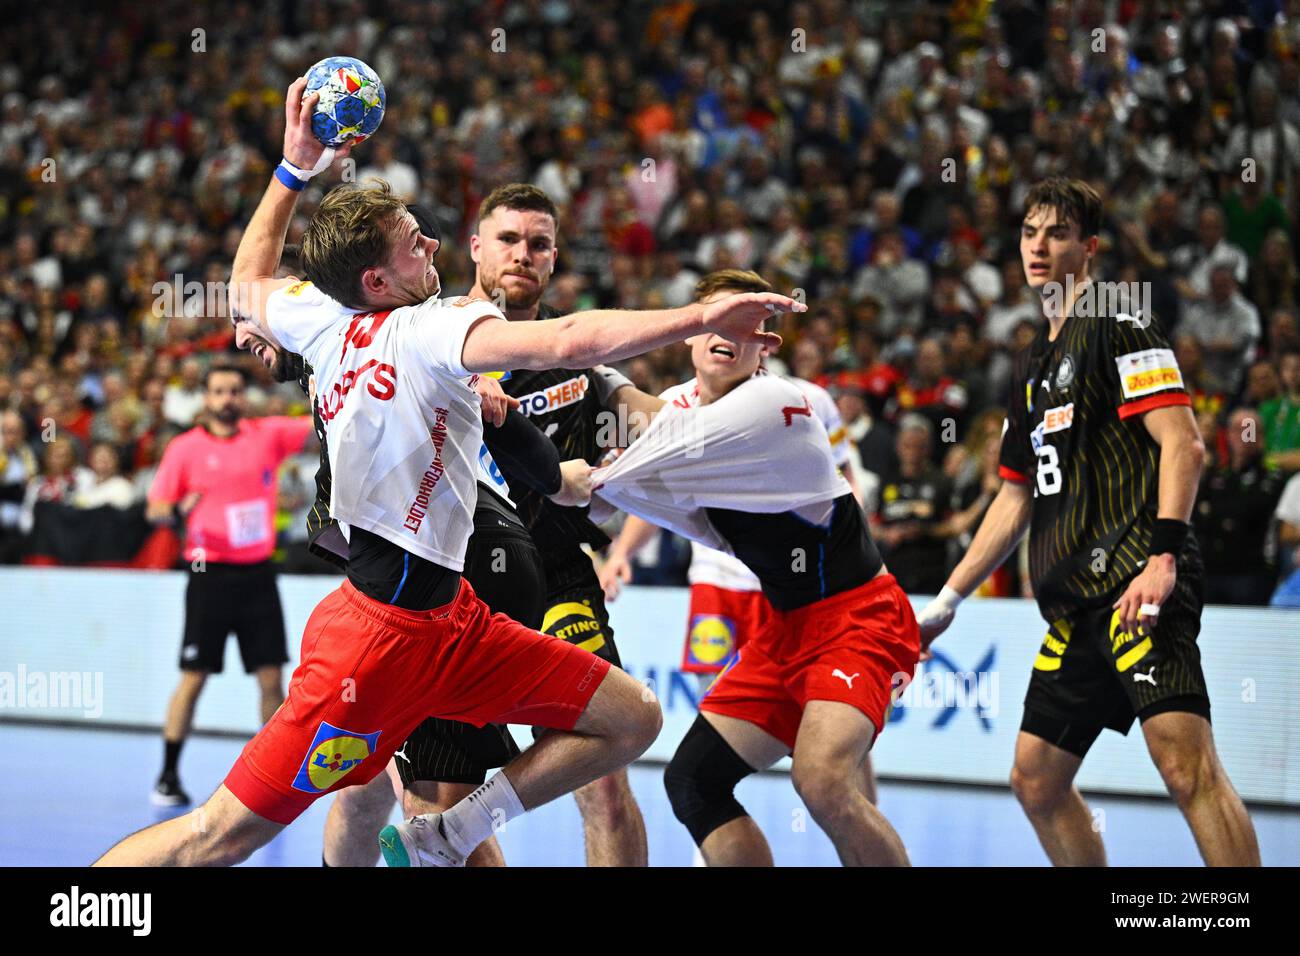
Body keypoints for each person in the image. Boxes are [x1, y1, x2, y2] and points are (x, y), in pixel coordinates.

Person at [93, 78, 798, 867]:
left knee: (632, 717)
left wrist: (293, 170)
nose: (430, 243)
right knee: (216, 837)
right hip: (376, 640)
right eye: (413, 242)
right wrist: (700, 316)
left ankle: (447, 836)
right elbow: (570, 338)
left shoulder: (320, 316)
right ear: (379, 281)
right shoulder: (435, 328)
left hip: (461, 621)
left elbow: (247, 281)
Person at [916, 177, 1259, 866]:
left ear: (1090, 248)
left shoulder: (1118, 318)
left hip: (1138, 583)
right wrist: (949, 599)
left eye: (1058, 234)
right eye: (1029, 232)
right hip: (1075, 610)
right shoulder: (1032, 363)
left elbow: (1183, 443)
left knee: (1187, 770)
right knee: (1037, 779)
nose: (1039, 247)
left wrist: (1164, 558)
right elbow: (1014, 498)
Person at [587, 293, 919, 867]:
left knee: (821, 779)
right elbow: (652, 492)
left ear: (766, 346)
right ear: (690, 332)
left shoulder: (780, 398)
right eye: (712, 319)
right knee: (693, 781)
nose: (725, 332)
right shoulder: (672, 406)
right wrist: (616, 545)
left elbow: (627, 474)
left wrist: (572, 467)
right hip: (783, 619)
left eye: (746, 325)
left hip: (858, 616)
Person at [461, 183, 674, 866]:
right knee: (434, 793)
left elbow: (647, 411)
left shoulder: (577, 360)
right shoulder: (424, 337)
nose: (523, 255)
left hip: (555, 582)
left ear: (553, 261)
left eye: (539, 244)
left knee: (604, 781)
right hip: (445, 590)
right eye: (509, 240)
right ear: (476, 247)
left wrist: (704, 423)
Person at [143, 362, 314, 806]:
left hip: (258, 574)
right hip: (208, 575)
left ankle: (274, 783)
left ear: (244, 396)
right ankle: (167, 775)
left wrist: (323, 380)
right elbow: (155, 510)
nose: (227, 399)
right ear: (205, 398)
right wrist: (179, 509)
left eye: (235, 391)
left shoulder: (267, 435)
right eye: (218, 391)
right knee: (195, 675)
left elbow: (319, 426)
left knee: (271, 678)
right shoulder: (184, 448)